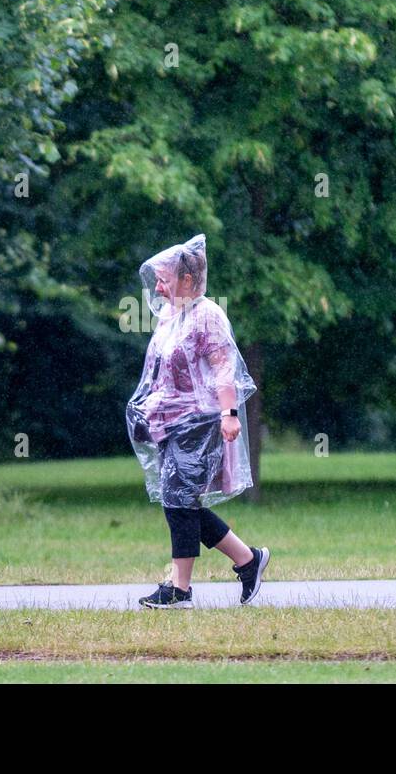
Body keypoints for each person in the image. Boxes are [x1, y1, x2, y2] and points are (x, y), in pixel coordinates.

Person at [126, 234, 269, 609]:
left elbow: (225, 369)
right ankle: (248, 560)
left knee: (177, 499)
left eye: (165, 280)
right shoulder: (171, 317)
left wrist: (229, 413)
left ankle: (180, 588)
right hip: (170, 421)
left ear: (188, 281)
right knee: (181, 500)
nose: (158, 287)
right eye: (156, 280)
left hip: (200, 422)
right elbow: (159, 371)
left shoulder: (208, 315)